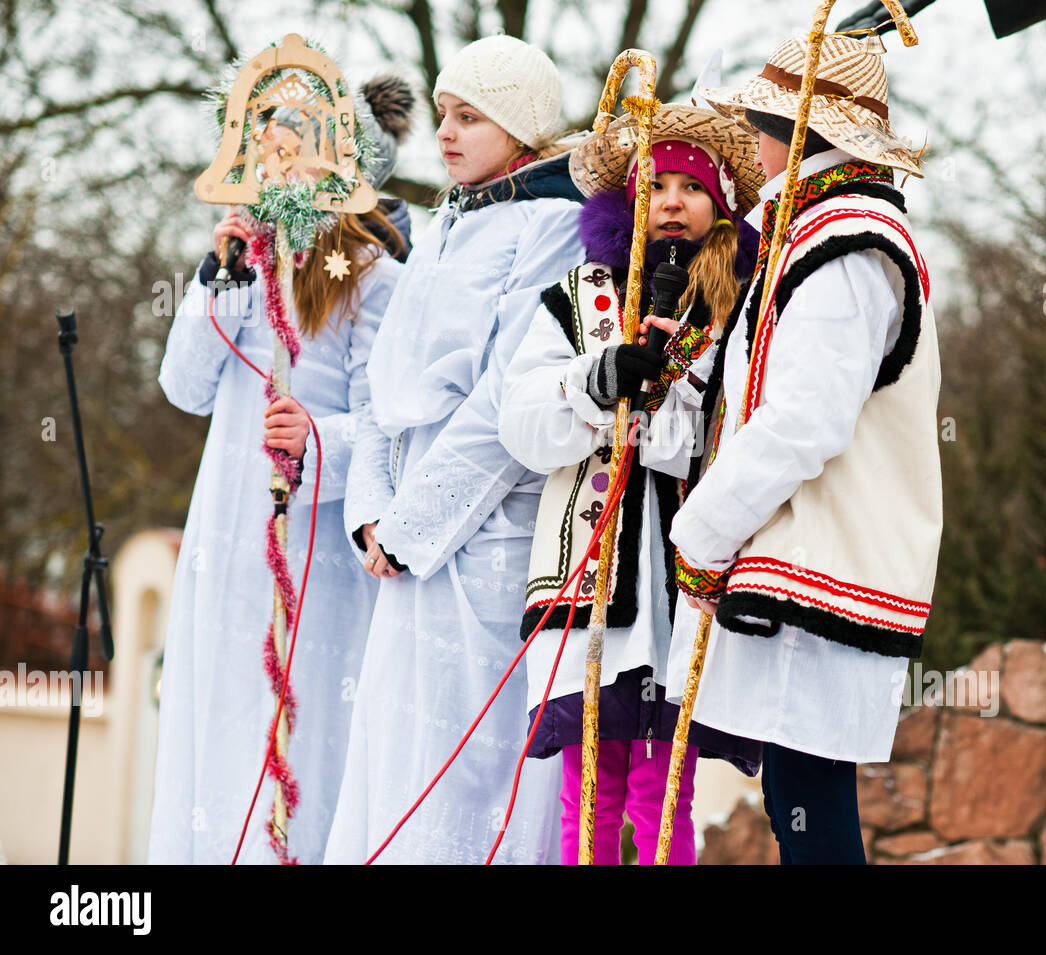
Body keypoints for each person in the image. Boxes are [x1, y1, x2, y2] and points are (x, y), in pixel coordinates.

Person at [666, 32, 942, 865]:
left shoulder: (845, 245)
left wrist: (702, 532)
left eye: (758, 120)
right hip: (804, 560)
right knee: (799, 803)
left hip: (823, 566)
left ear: (802, 134)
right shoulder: (814, 234)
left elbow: (801, 421)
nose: (750, 138)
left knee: (813, 815)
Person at [323, 35, 587, 865]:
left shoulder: (554, 223)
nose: (444, 132)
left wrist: (414, 525)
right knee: (395, 763)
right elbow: (379, 389)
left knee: (469, 771)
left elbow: (509, 392)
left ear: (521, 129)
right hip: (403, 530)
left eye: (469, 117)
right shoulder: (443, 221)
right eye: (442, 113)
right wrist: (370, 514)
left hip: (485, 536)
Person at [150, 75, 414, 865]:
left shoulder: (373, 279)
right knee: (222, 720)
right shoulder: (240, 266)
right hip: (225, 541)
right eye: (270, 147)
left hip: (315, 547)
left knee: (303, 731)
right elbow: (185, 385)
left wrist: (314, 439)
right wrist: (217, 274)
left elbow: (384, 424)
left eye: (301, 148)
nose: (280, 164)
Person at [499, 104, 766, 864]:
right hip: (592, 573)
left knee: (662, 786)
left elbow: (737, 424)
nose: (675, 200)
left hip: (686, 568)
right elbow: (518, 419)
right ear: (631, 196)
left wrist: (686, 376)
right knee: (589, 786)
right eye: (660, 183)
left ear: (720, 202)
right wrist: (596, 380)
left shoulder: (737, 303)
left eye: (692, 184)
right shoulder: (579, 298)